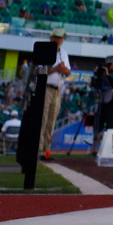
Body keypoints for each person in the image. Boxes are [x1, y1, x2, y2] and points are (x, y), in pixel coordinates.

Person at [39, 30, 71, 161]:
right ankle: (39, 150)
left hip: (58, 89)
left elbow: (68, 72)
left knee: (51, 122)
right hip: (45, 88)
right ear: (51, 38)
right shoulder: (44, 50)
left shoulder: (64, 53)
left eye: (61, 38)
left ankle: (46, 150)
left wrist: (64, 70)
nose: (59, 40)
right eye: (57, 37)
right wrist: (57, 68)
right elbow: (41, 71)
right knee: (43, 121)